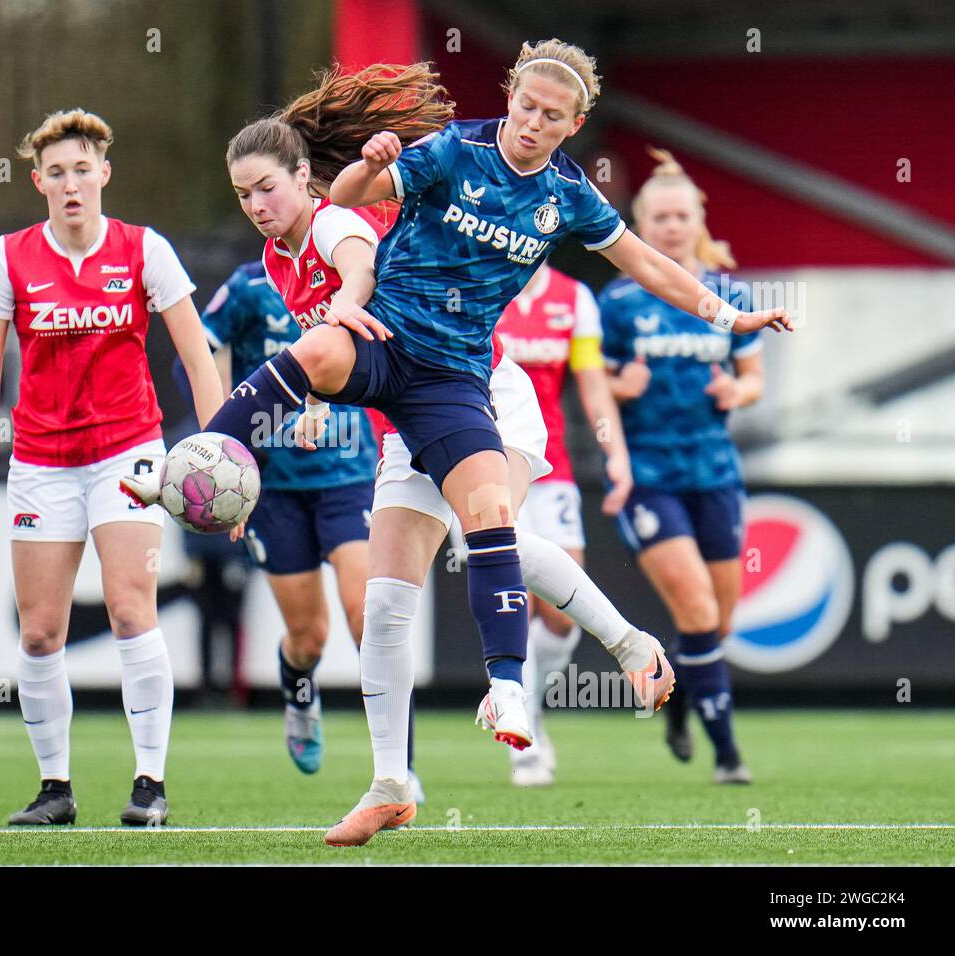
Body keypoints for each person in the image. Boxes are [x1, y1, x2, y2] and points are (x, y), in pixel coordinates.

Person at [128, 43, 789, 846]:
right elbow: (353, 204)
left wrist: (729, 319)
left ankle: (521, 685)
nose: (533, 125)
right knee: (390, 590)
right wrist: (371, 173)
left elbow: (643, 262)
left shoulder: (555, 194)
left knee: (488, 529)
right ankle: (391, 783)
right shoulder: (326, 228)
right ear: (508, 97)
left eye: (553, 116)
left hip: (476, 387)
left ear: (574, 125)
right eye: (525, 107)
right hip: (402, 385)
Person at [0, 109, 224, 827]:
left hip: (129, 453)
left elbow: (198, 358)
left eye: (84, 170)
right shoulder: (9, 257)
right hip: (42, 461)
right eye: (58, 173)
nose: (72, 184)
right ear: (38, 181)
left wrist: (227, 454)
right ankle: (55, 789)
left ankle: (150, 784)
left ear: (104, 174)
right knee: (40, 632)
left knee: (130, 608)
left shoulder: (144, 250)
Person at [601, 148, 765, 784]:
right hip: (649, 475)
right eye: (659, 217)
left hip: (715, 470)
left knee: (717, 621)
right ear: (642, 224)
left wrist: (737, 392)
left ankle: (679, 701)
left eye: (681, 215)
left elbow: (753, 378)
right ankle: (728, 757)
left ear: (699, 220)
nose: (671, 226)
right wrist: (620, 382)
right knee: (696, 610)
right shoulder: (618, 301)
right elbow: (590, 380)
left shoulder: (730, 296)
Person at [195, 259, 389, 782]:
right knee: (309, 638)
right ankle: (300, 698)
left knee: (371, 619)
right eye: (249, 193)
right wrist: (227, 460)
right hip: (273, 486)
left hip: (348, 477)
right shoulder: (248, 287)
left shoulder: (356, 273)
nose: (261, 205)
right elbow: (196, 352)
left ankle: (400, 768)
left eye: (268, 188)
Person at [494, 262, 632, 786]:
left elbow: (593, 386)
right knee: (516, 595)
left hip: (552, 470)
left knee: (561, 617)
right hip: (489, 463)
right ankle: (520, 734)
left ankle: (529, 709)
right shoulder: (478, 276)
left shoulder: (574, 298)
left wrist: (613, 452)